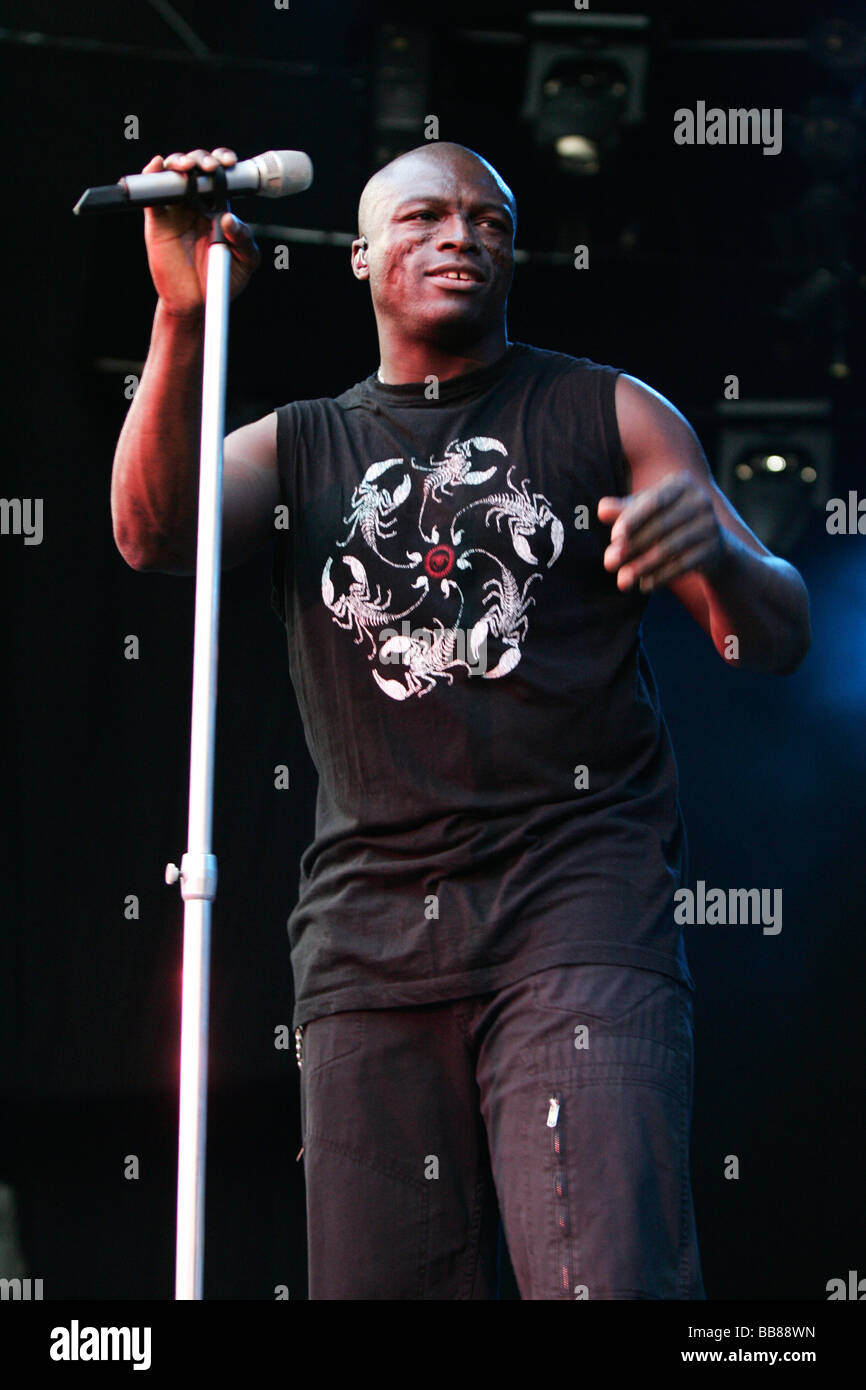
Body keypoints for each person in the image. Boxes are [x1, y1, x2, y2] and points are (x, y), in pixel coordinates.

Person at [111, 140, 811, 1300]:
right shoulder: (301, 446)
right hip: (369, 936)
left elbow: (770, 638)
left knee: (606, 1272)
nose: (461, 237)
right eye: (426, 217)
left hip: (575, 910)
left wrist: (724, 555)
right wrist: (182, 318)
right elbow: (151, 533)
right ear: (363, 256)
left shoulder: (609, 410)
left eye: (488, 221)